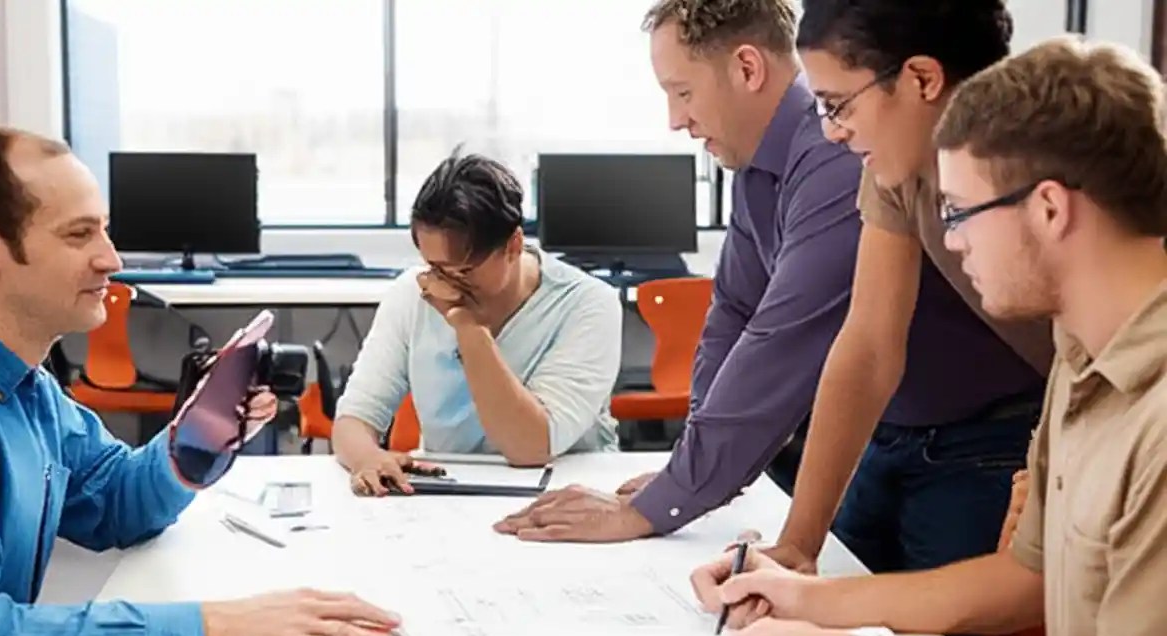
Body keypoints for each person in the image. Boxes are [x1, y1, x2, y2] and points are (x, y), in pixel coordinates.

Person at [692, 36, 1167, 636]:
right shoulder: (1081, 360)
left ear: (1050, 209)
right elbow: (1025, 579)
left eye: (960, 210)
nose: (951, 239)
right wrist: (807, 598)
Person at [0, 126, 402, 636]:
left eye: (104, 229)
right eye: (79, 234)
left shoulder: (20, 379)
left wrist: (196, 439)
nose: (112, 258)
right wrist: (215, 626)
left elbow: (114, 501)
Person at [493, 0, 865, 542]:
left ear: (747, 68)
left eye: (683, 93)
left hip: (959, 447)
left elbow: (778, 344)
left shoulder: (833, 156)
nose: (675, 119)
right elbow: (734, 314)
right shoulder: (757, 168)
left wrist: (657, 506)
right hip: (881, 443)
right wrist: (687, 473)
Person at [744, 0, 1055, 584]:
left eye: (839, 105)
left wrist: (1052, 463)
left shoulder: (1054, 169)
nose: (831, 131)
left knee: (950, 620)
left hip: (1019, 431)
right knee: (842, 584)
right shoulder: (895, 168)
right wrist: (797, 547)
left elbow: (1094, 354)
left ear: (921, 79)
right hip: (903, 437)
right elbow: (868, 346)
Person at [332, 152, 622, 496]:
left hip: (568, 494)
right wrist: (367, 457)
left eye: (464, 270)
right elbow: (354, 417)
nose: (445, 282)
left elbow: (531, 447)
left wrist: (468, 328)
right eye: (435, 267)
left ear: (513, 246)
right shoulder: (412, 294)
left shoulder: (588, 304)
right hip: (448, 491)